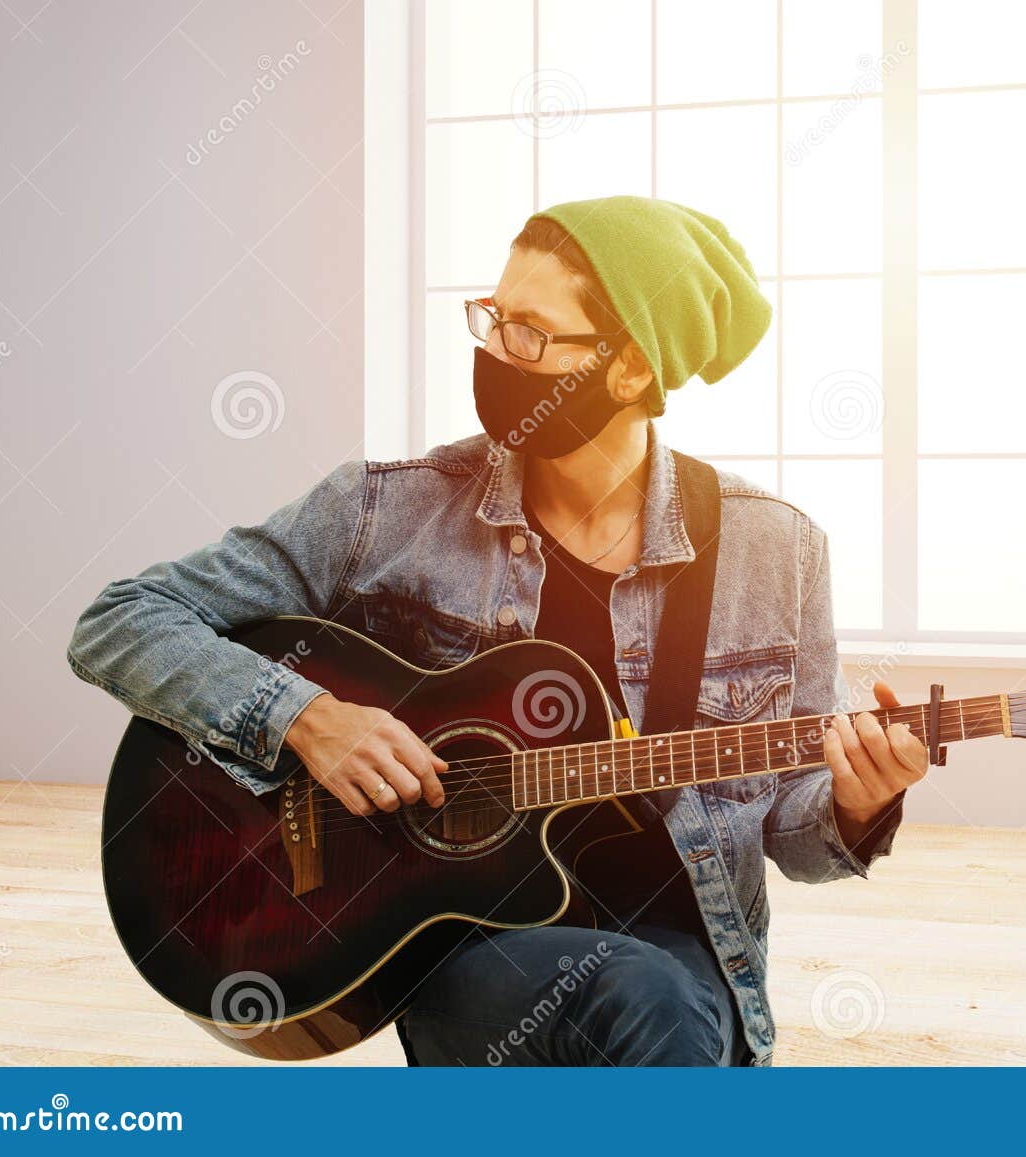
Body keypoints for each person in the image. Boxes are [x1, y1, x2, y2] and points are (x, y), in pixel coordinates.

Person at [67, 195, 930, 1066]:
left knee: (661, 998)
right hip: (473, 951)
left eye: (529, 332)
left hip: (682, 947)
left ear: (629, 368)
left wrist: (859, 803)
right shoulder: (384, 510)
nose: (492, 350)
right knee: (644, 999)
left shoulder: (775, 548)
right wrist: (305, 716)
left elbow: (792, 833)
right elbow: (120, 621)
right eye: (492, 317)